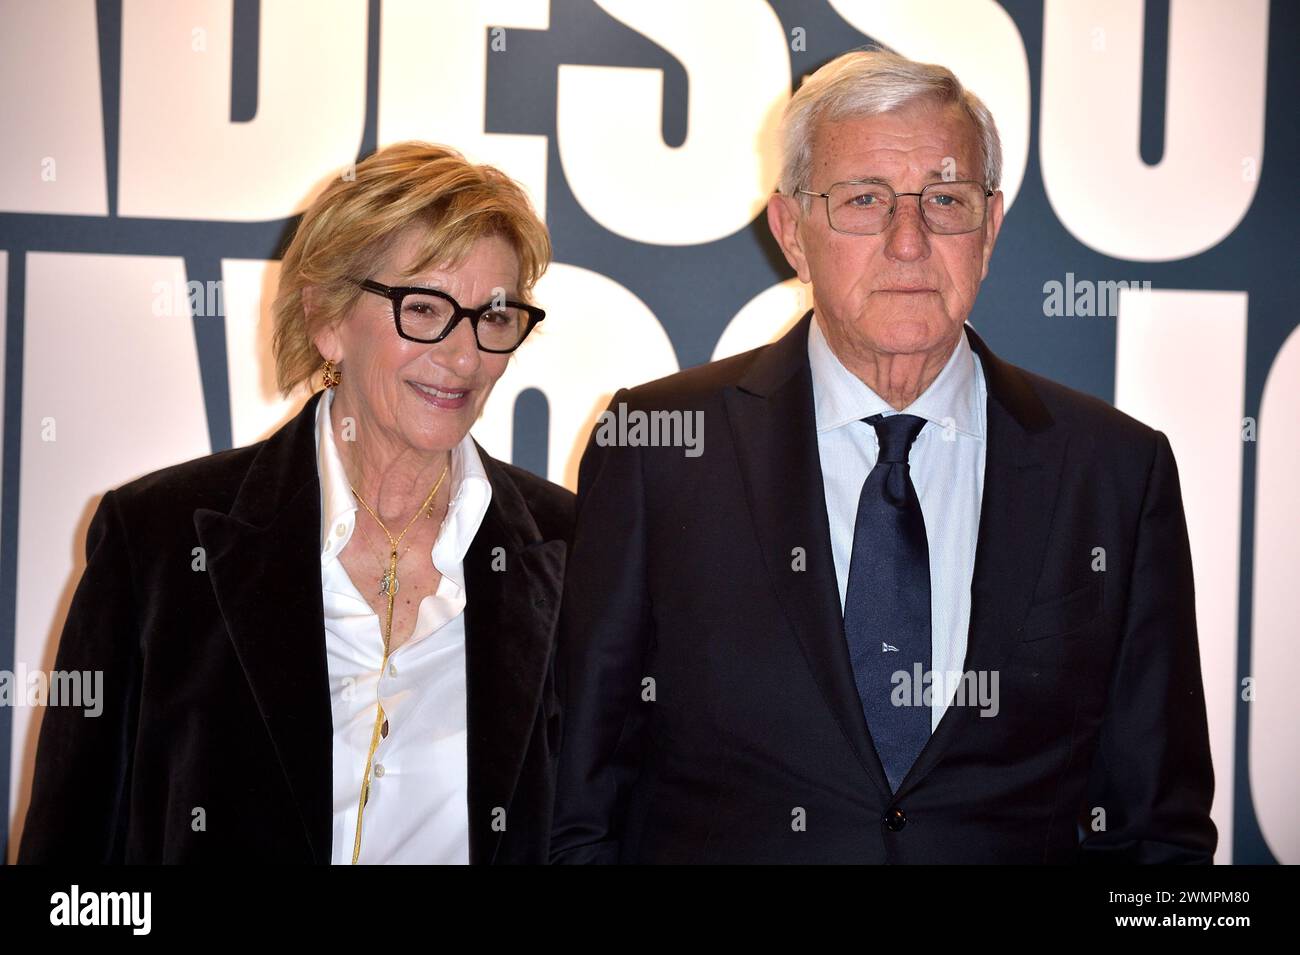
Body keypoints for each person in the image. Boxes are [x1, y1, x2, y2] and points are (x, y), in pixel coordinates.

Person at [551, 49, 1216, 863]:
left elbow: (1159, 830)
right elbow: (578, 804)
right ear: (792, 230)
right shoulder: (658, 448)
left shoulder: (1115, 472)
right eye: (864, 200)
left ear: (991, 226)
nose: (909, 241)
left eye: (945, 199)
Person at [20, 142, 573, 864]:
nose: (464, 356)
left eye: (494, 317)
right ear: (327, 319)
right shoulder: (155, 541)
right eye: (426, 308)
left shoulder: (571, 550)